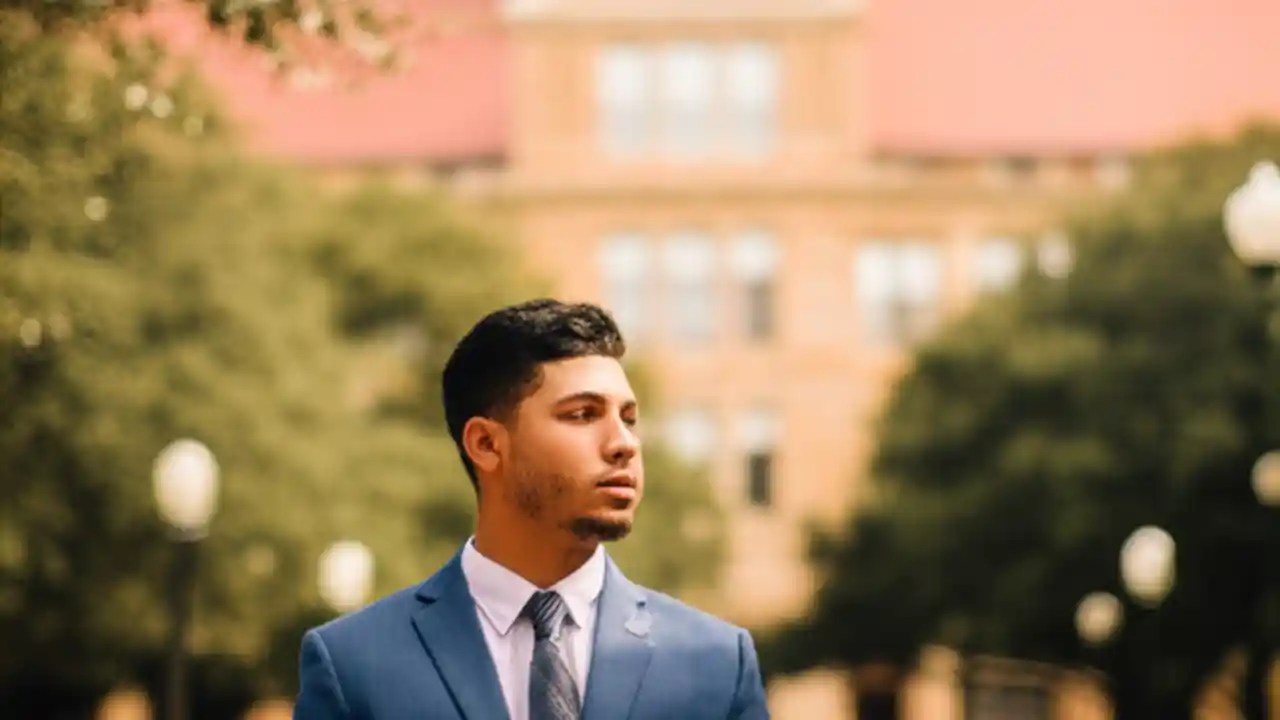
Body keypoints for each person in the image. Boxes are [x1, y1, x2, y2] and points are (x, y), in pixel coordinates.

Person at [294, 299, 769, 720]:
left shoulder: (716, 663)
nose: (623, 443)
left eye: (628, 418)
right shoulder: (354, 664)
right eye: (583, 414)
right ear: (485, 443)